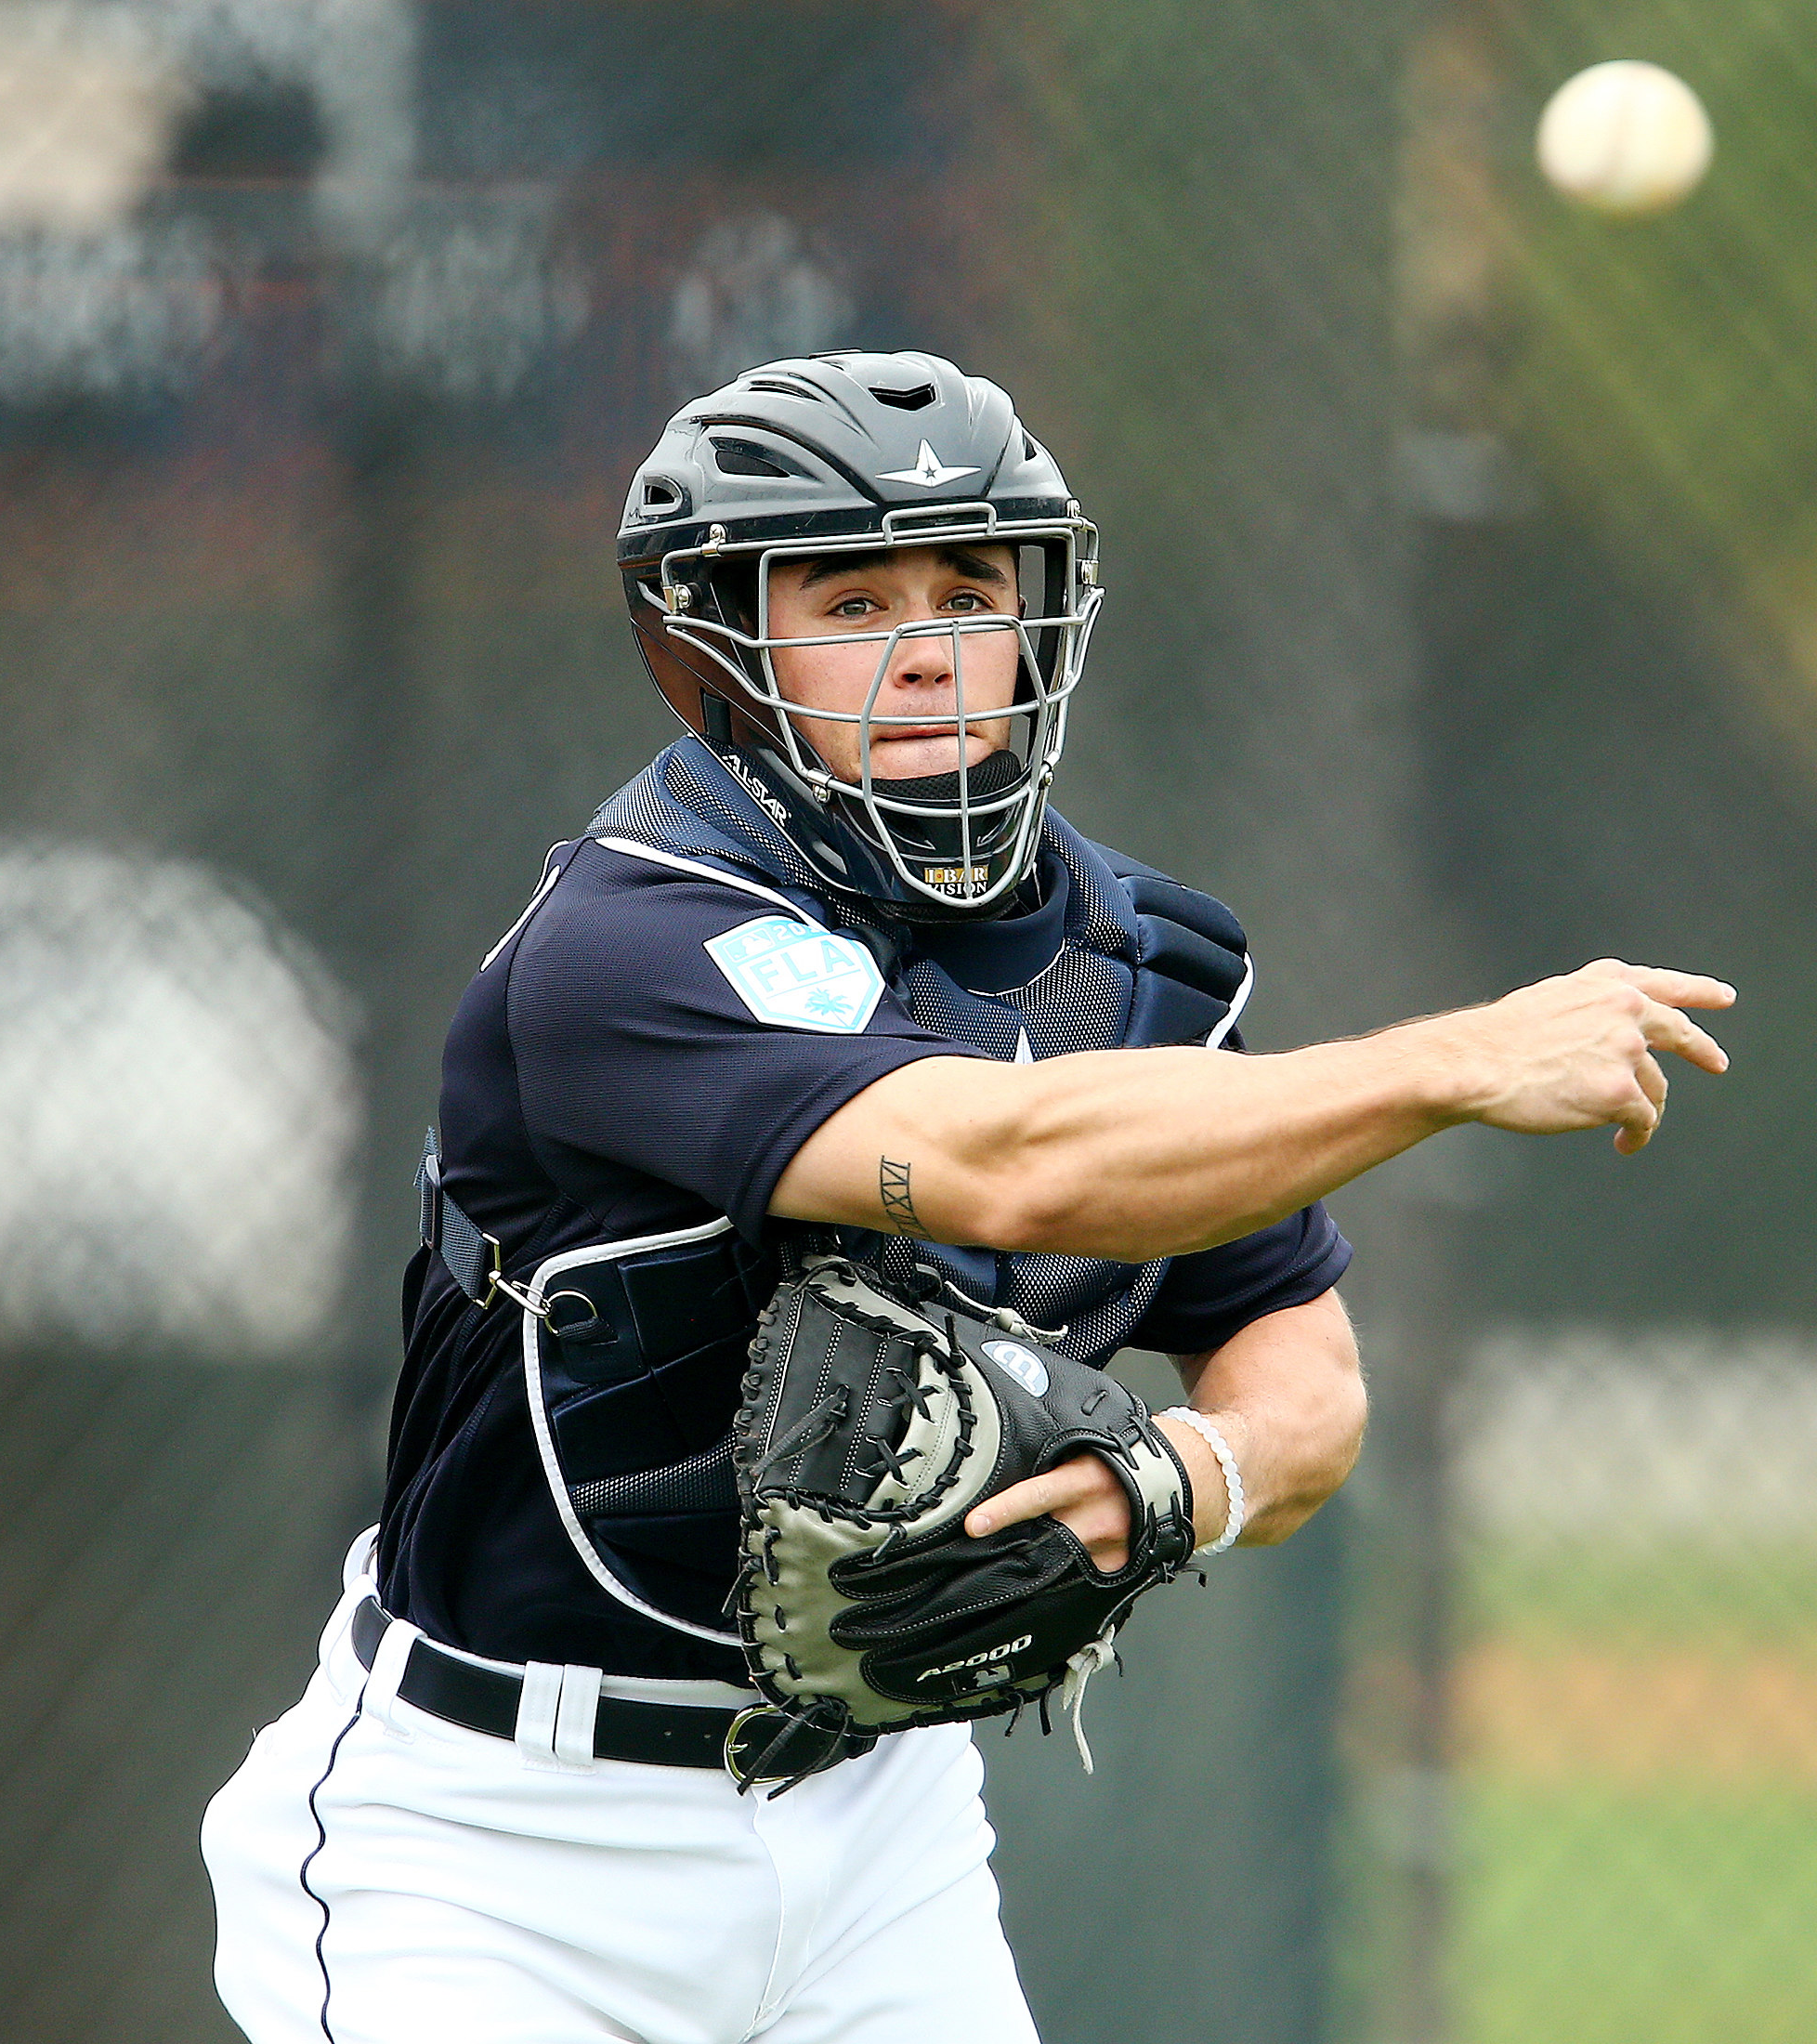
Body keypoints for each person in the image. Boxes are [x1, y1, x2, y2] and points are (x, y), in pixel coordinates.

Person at [200, 349, 1732, 2044]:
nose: (928, 643)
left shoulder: (1132, 963)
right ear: (713, 646)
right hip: (496, 1853)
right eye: (853, 597)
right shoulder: (626, 946)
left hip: (883, 1845)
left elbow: (1305, 1376)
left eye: (972, 588)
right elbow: (1005, 1162)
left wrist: (1175, 1484)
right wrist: (1451, 1065)